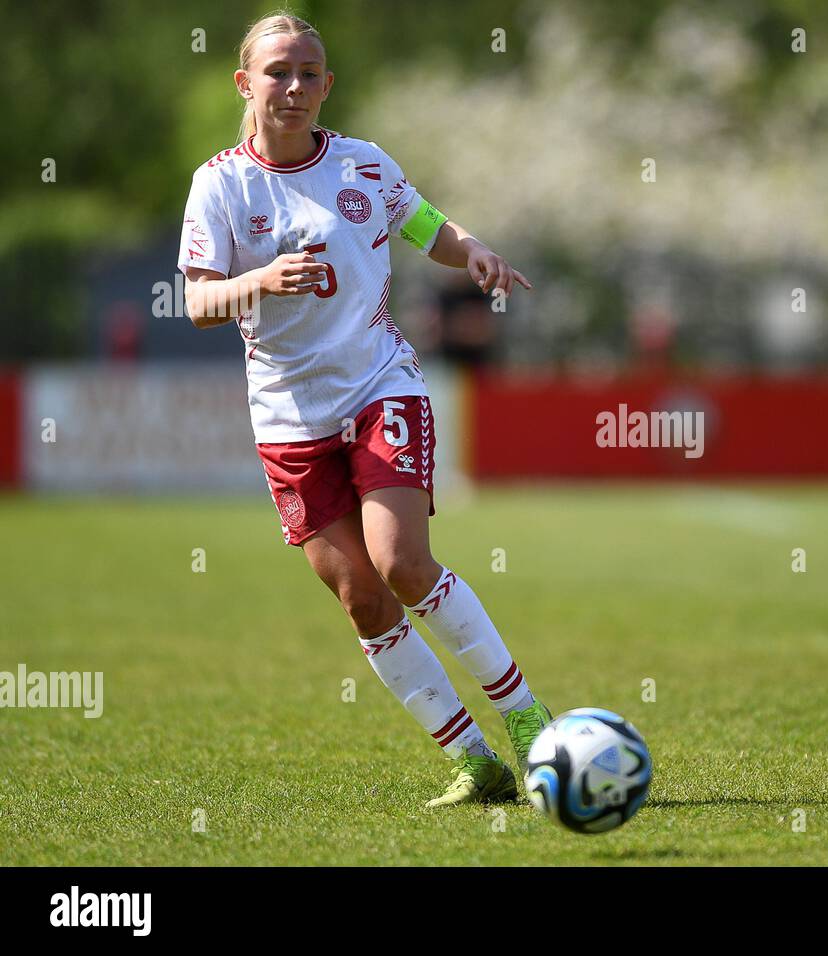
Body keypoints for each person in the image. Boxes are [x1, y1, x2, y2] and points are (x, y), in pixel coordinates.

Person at [178, 11, 549, 807]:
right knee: (362, 596)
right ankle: (475, 762)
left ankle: (527, 720)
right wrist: (262, 281)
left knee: (402, 563)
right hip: (286, 420)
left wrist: (473, 247)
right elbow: (199, 301)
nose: (295, 87)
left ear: (327, 86)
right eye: (278, 72)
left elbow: (425, 226)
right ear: (245, 83)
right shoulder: (220, 184)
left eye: (310, 73)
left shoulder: (363, 166)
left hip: (381, 387)